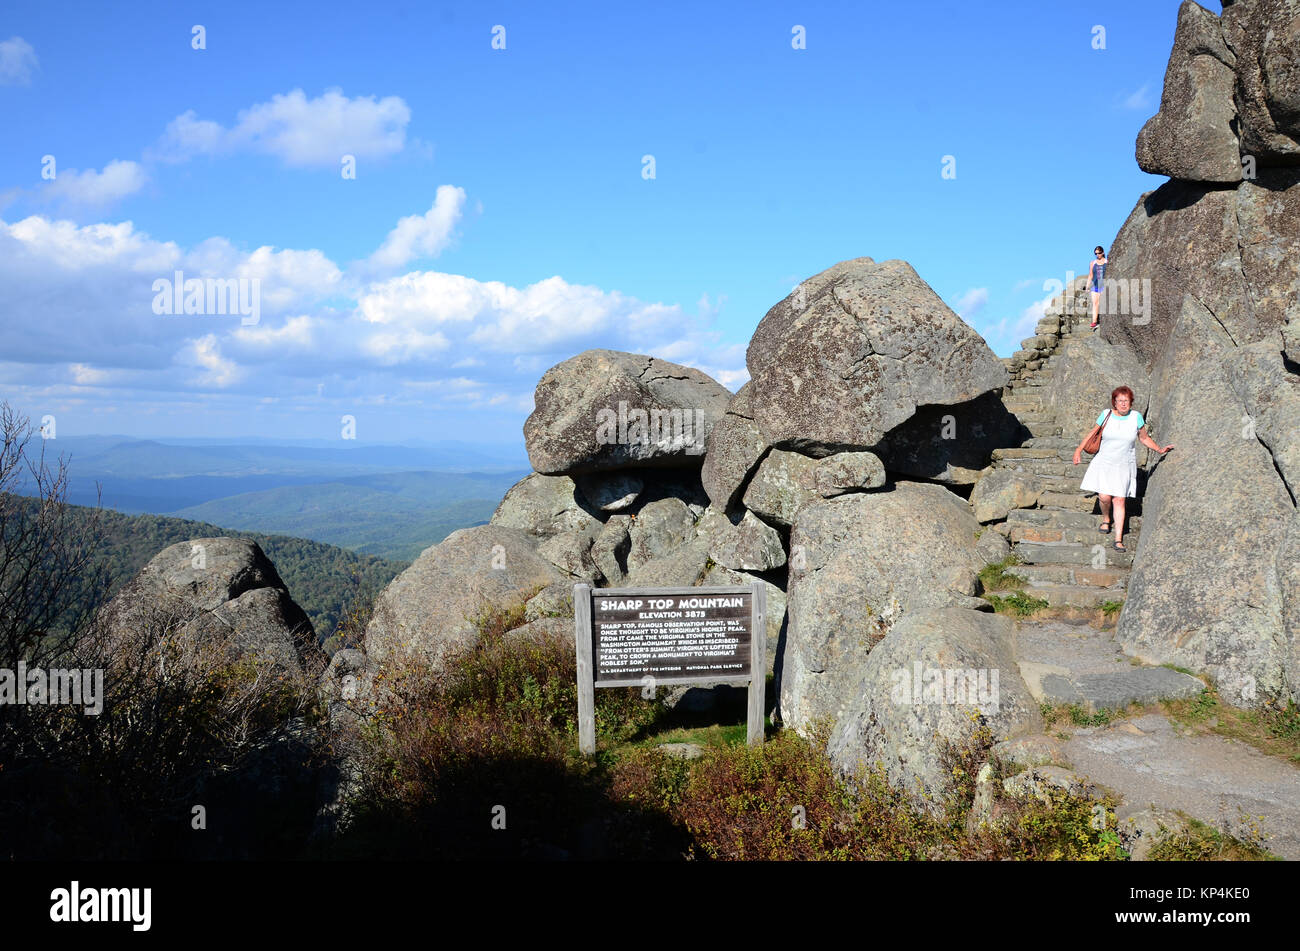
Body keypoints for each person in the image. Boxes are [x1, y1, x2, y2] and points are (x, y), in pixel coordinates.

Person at [1072, 386, 1173, 551]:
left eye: (1126, 400)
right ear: (1115, 402)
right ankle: (1106, 519)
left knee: (1119, 499)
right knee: (1104, 497)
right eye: (1120, 401)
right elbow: (1092, 433)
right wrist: (1078, 450)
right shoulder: (1106, 414)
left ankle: (1118, 539)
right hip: (1104, 462)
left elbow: (1144, 438)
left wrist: (1159, 449)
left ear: (1131, 402)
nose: (1123, 404)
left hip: (1124, 465)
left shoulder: (1136, 417)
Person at [1088, 245, 1107, 330]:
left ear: (1102, 253)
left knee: (1102, 303)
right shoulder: (1093, 263)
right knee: (1095, 303)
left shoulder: (1107, 262)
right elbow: (1091, 275)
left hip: (1104, 285)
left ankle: (1103, 321)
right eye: (1096, 253)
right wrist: (1088, 285)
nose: (1097, 255)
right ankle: (1094, 322)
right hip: (1095, 286)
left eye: (1099, 253)